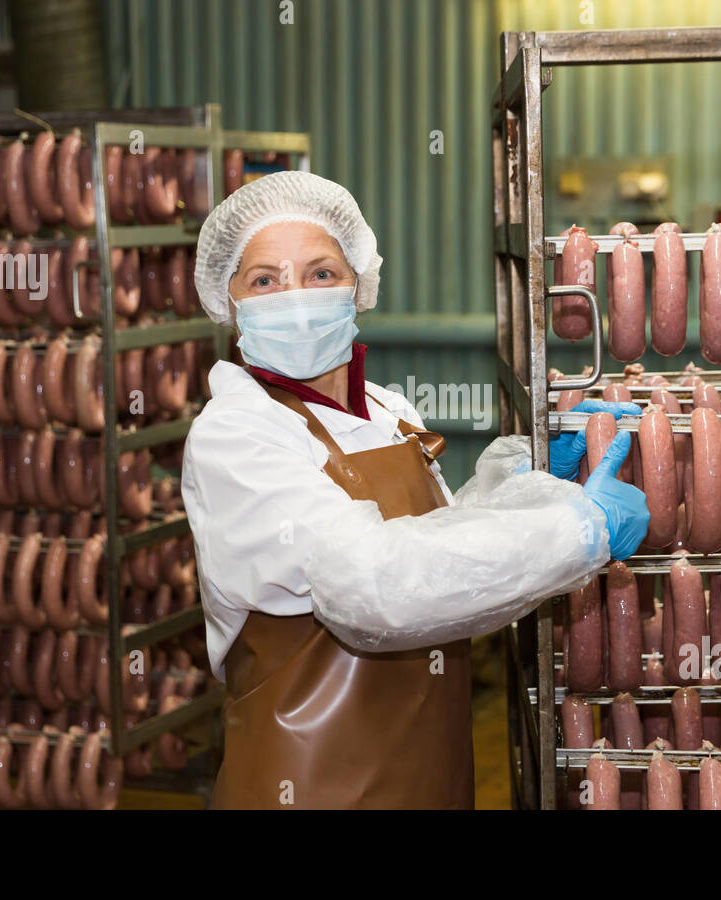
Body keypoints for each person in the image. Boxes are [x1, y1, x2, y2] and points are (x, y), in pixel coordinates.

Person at [183, 170, 649, 809]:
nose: (295, 297)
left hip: (432, 773)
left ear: (359, 286)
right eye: (265, 279)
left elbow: (435, 547)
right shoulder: (235, 434)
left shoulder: (386, 408)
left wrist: (529, 484)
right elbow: (372, 585)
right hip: (307, 784)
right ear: (229, 301)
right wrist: (578, 529)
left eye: (320, 273)